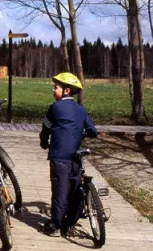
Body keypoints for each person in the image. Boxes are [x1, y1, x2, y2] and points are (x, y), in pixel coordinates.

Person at [39, 72, 98, 237]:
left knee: (60, 190)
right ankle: (69, 223)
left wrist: (44, 141)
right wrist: (80, 132)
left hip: (59, 156)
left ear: (66, 91)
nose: (53, 89)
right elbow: (93, 131)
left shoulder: (55, 108)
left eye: (56, 87)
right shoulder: (81, 110)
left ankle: (55, 225)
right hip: (76, 157)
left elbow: (46, 128)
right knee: (75, 189)